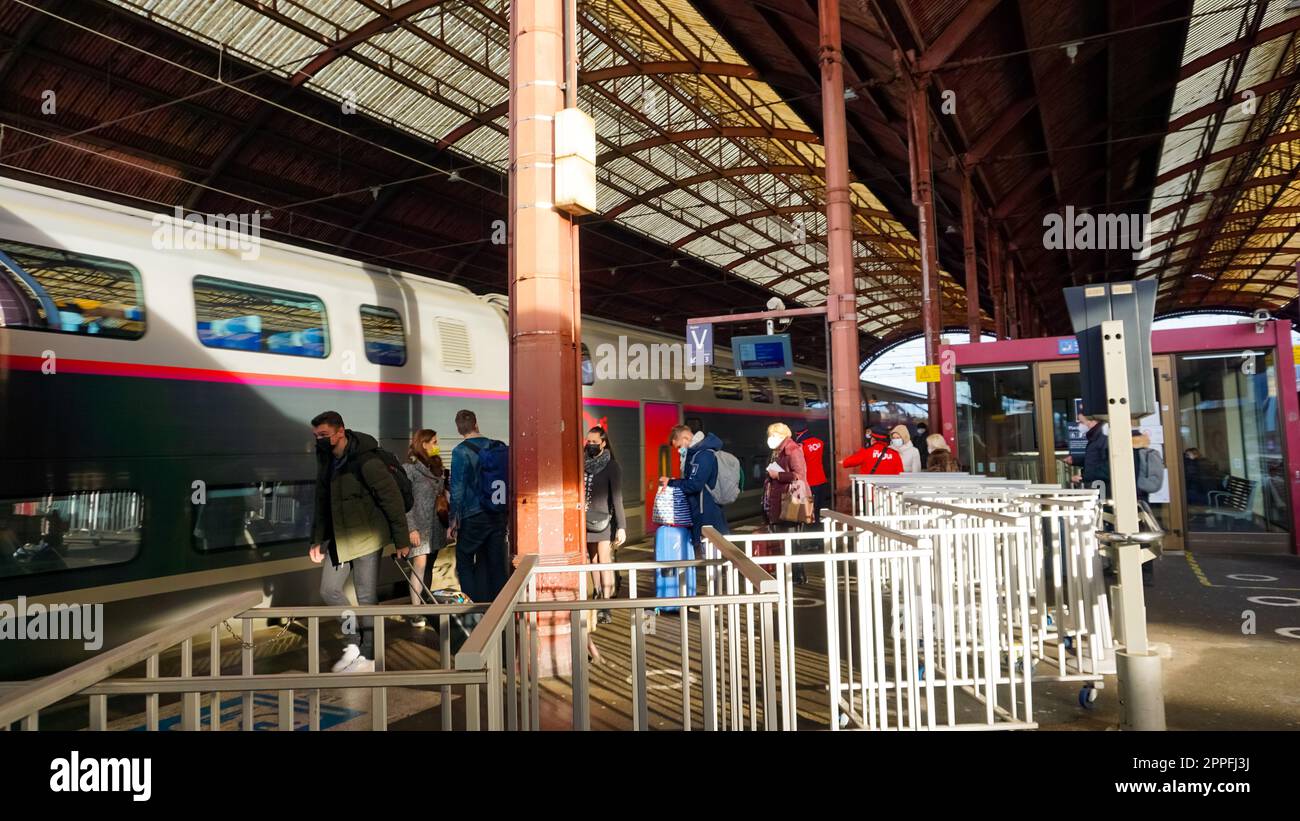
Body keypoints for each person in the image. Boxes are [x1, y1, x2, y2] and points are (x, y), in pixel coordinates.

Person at [309, 411, 411, 674]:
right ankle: (353, 642)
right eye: (316, 436)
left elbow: (392, 500)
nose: (319, 440)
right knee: (328, 590)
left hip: (367, 538)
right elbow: (322, 502)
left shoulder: (366, 460)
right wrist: (317, 540)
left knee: (366, 598)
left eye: (324, 435)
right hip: (340, 538)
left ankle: (370, 655)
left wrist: (401, 540)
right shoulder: (326, 460)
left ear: (340, 432)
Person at [449, 409, 508, 605]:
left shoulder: (460, 451)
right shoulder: (495, 446)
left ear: (459, 429)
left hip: (473, 516)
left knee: (464, 563)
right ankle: (499, 610)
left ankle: (473, 611)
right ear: (476, 424)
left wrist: (453, 522)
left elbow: (457, 490)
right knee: (493, 564)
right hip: (497, 514)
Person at [661, 424, 729, 561]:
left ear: (686, 438)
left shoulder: (704, 455)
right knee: (708, 560)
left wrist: (672, 483)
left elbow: (695, 485)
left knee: (714, 561)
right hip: (701, 514)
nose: (679, 451)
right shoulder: (695, 455)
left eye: (679, 447)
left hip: (708, 517)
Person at [403, 429, 447, 628]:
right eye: (435, 441)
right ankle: (415, 611)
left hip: (435, 525)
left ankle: (425, 604)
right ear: (424, 444)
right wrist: (411, 528)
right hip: (418, 527)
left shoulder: (437, 466)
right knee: (419, 566)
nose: (438, 445)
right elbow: (405, 502)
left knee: (429, 565)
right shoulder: (410, 469)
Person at [584, 426, 626, 626]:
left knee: (604, 561)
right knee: (593, 560)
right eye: (588, 441)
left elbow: (617, 498)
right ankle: (598, 596)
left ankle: (605, 606)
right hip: (584, 520)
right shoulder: (582, 462)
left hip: (603, 522)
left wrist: (621, 526)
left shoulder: (612, 466)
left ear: (603, 443)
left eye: (594, 442)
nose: (590, 445)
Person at [763, 422, 809, 585]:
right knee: (785, 538)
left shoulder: (792, 450)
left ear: (782, 435)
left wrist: (778, 475)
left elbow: (800, 475)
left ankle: (797, 575)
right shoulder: (777, 452)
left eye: (773, 434)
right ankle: (791, 573)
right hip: (780, 498)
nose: (770, 438)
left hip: (792, 499)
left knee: (792, 539)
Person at [1067, 414, 1109, 496]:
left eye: (1082, 422)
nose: (1079, 425)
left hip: (1104, 487)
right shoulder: (1095, 437)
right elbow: (1094, 458)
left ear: (1093, 422)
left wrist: (1084, 477)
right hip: (1099, 484)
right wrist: (1075, 460)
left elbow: (1107, 467)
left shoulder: (1103, 437)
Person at [793, 426, 830, 521]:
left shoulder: (800, 447)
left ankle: (810, 531)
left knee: (807, 512)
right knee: (819, 509)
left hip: (808, 484)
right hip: (821, 480)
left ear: (797, 433)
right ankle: (819, 529)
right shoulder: (820, 442)